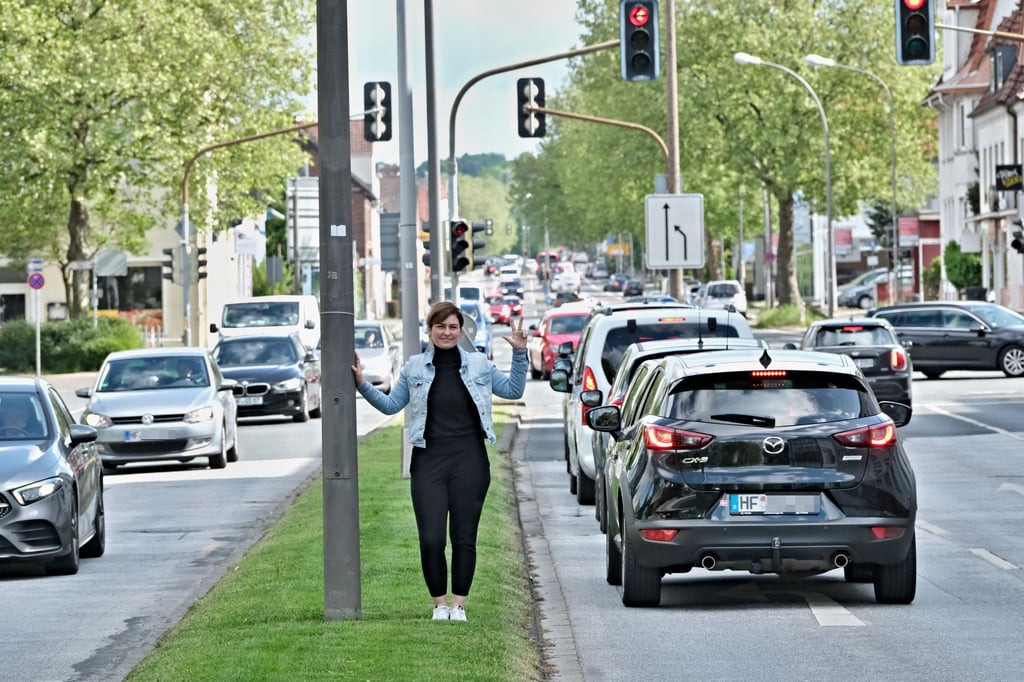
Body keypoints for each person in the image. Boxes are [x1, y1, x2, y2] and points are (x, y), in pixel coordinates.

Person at [352, 301, 528, 622]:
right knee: (431, 537)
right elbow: (392, 406)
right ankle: (439, 604)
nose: (447, 333)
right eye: (440, 327)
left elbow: (514, 389)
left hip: (470, 462)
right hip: (428, 463)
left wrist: (519, 353)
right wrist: (362, 384)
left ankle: (459, 605)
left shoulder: (479, 365)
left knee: (463, 536)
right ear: (430, 330)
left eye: (453, 327)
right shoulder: (414, 367)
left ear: (461, 331)